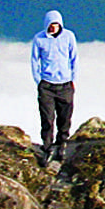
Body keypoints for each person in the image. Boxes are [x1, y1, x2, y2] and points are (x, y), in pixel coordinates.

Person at [30, 9, 78, 162]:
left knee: (65, 117)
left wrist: (73, 79)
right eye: (51, 25)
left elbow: (74, 58)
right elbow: (34, 60)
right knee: (47, 118)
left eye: (56, 25)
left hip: (65, 84)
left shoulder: (69, 37)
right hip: (47, 86)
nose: (53, 27)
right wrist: (39, 81)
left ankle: (62, 144)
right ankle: (47, 147)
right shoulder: (39, 39)